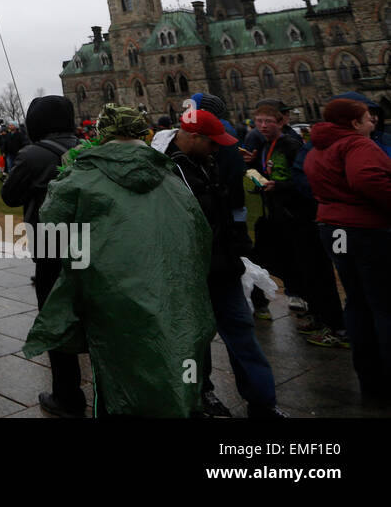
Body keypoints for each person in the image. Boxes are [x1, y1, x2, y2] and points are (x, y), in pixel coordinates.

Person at [24, 104, 215, 417]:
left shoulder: (81, 176)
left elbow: (53, 230)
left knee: (115, 379)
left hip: (111, 299)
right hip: (172, 295)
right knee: (172, 371)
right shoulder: (170, 176)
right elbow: (197, 236)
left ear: (102, 134)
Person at [166, 109, 285, 418]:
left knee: (243, 334)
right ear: (193, 137)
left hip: (225, 267)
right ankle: (201, 395)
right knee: (195, 343)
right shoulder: (167, 168)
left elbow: (222, 210)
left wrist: (238, 247)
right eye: (213, 143)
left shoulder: (206, 161)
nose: (218, 149)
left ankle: (264, 403)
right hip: (190, 273)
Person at [304, 98, 391, 401]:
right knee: (383, 305)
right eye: (369, 118)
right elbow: (367, 179)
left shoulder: (319, 148)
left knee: (357, 302)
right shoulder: (358, 146)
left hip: (334, 230)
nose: (373, 122)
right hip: (365, 231)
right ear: (354, 123)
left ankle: (372, 382)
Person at [0, 95, 82, 416]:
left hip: (50, 245)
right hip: (88, 241)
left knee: (55, 318)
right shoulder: (87, 147)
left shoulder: (34, 154)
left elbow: (9, 196)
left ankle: (67, 395)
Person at [245, 100, 344, 343]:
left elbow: (302, 182)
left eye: (269, 121)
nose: (263, 126)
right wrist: (254, 167)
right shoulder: (268, 145)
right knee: (298, 268)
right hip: (283, 217)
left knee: (315, 271)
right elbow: (272, 174)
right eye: (259, 122)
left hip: (300, 218)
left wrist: (278, 186)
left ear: (283, 121)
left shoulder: (290, 145)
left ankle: (334, 325)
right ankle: (316, 314)